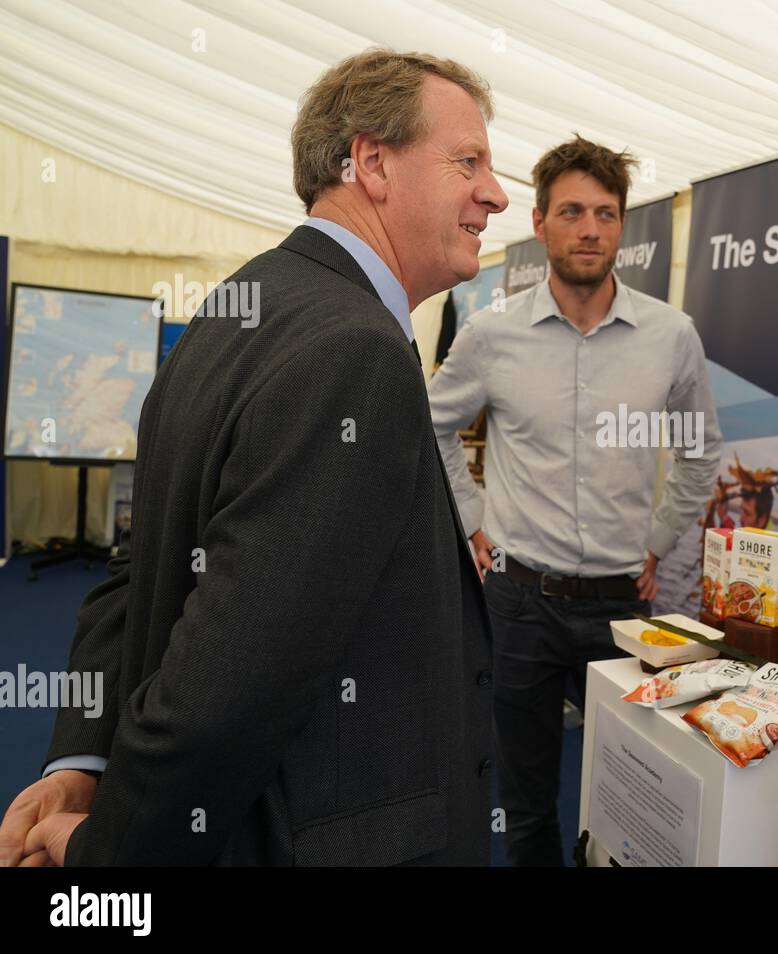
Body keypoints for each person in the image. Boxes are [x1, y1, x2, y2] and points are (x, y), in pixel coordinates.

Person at [0, 49, 509, 866]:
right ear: (371, 162)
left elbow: (137, 572)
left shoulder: (234, 311)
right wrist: (111, 852)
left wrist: (82, 763)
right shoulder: (355, 350)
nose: (496, 192)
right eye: (469, 161)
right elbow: (232, 677)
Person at [427, 135, 722, 866]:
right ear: (539, 222)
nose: (589, 228)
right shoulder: (493, 336)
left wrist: (658, 540)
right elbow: (427, 423)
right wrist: (470, 522)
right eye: (571, 212)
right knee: (527, 806)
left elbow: (699, 448)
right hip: (518, 604)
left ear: (622, 225)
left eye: (605, 213)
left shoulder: (671, 337)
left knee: (635, 799)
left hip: (621, 609)